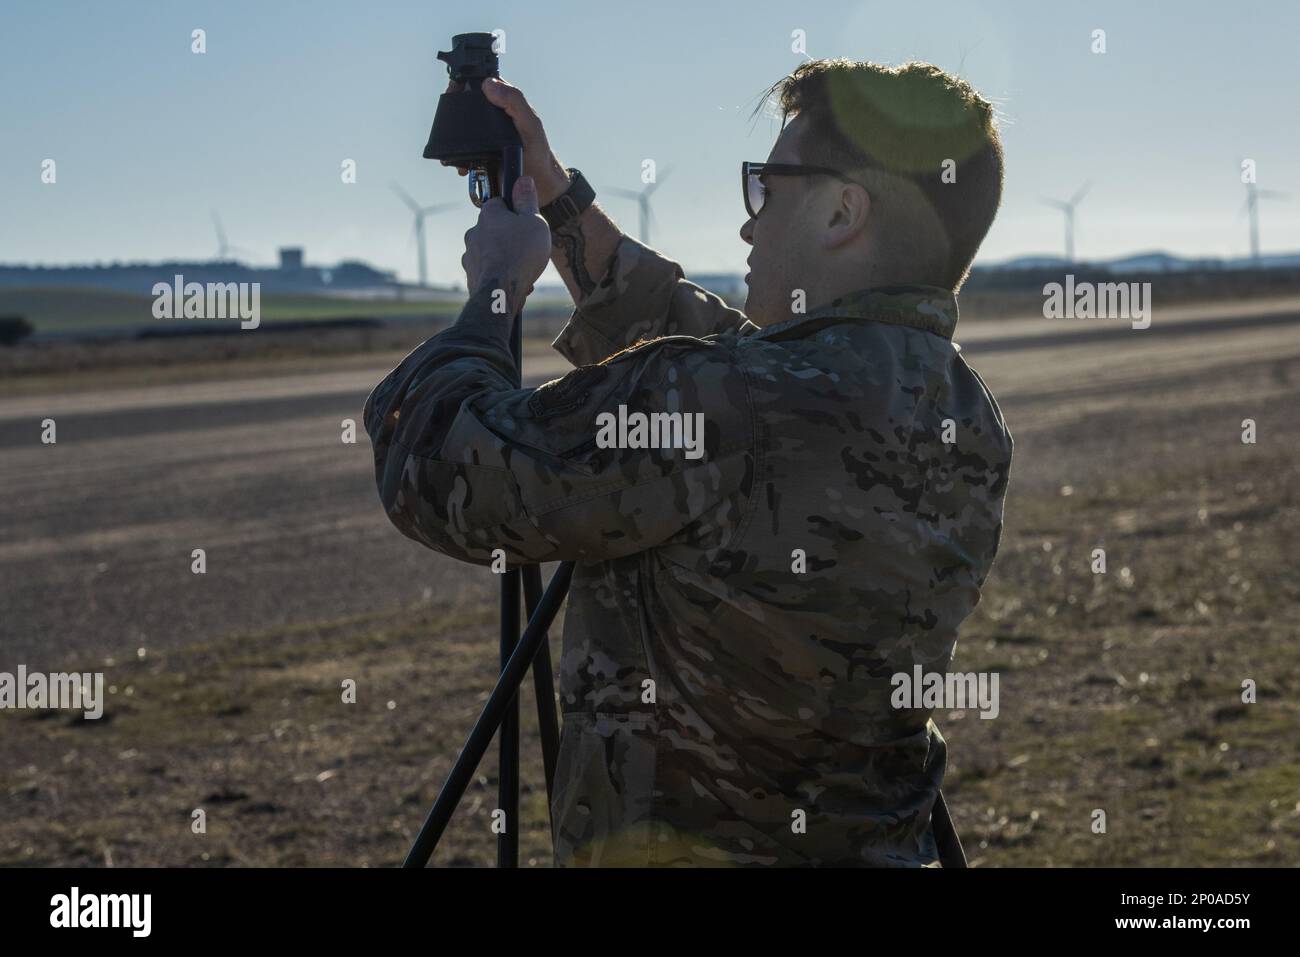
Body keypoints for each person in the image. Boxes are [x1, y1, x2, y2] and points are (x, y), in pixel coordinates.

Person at [365, 58, 1013, 866]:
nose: (748, 224)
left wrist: (495, 287)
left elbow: (435, 461)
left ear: (844, 211)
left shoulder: (730, 401)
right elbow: (730, 370)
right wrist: (557, 197)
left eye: (767, 189)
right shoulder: (956, 407)